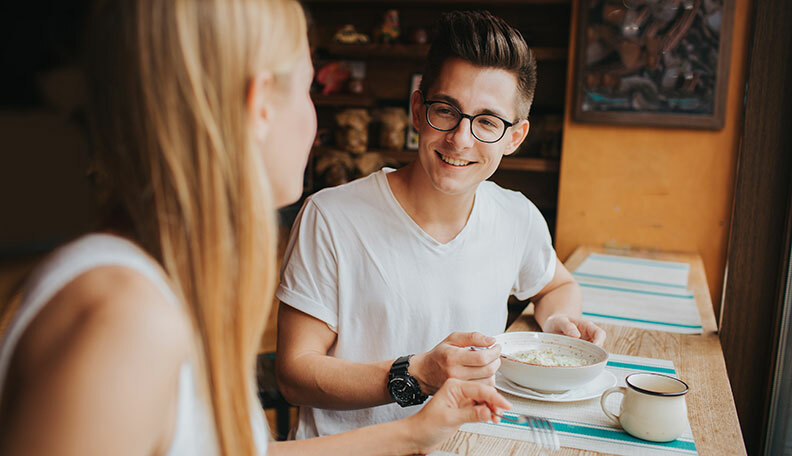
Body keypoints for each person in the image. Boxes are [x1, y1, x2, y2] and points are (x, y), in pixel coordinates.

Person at [0, 2, 512, 455]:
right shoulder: (126, 320)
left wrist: (412, 434)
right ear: (261, 103)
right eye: (309, 90)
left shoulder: (167, 283)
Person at [275, 10, 607, 439]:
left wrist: (558, 322)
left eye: (487, 121)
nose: (460, 139)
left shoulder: (516, 216)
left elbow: (557, 286)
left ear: (515, 137)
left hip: (473, 446)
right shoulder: (331, 216)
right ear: (417, 110)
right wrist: (415, 375)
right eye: (446, 111)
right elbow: (294, 374)